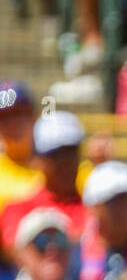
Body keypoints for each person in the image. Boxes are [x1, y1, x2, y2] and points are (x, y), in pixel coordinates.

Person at [0, 112, 91, 262]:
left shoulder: (98, 207)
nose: (65, 163)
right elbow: (17, 252)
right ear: (37, 159)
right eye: (55, 155)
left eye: (70, 152)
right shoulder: (19, 208)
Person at [0, 81, 43, 221]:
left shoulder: (58, 168)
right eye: (5, 117)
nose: (13, 124)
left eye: (19, 114)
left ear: (34, 118)